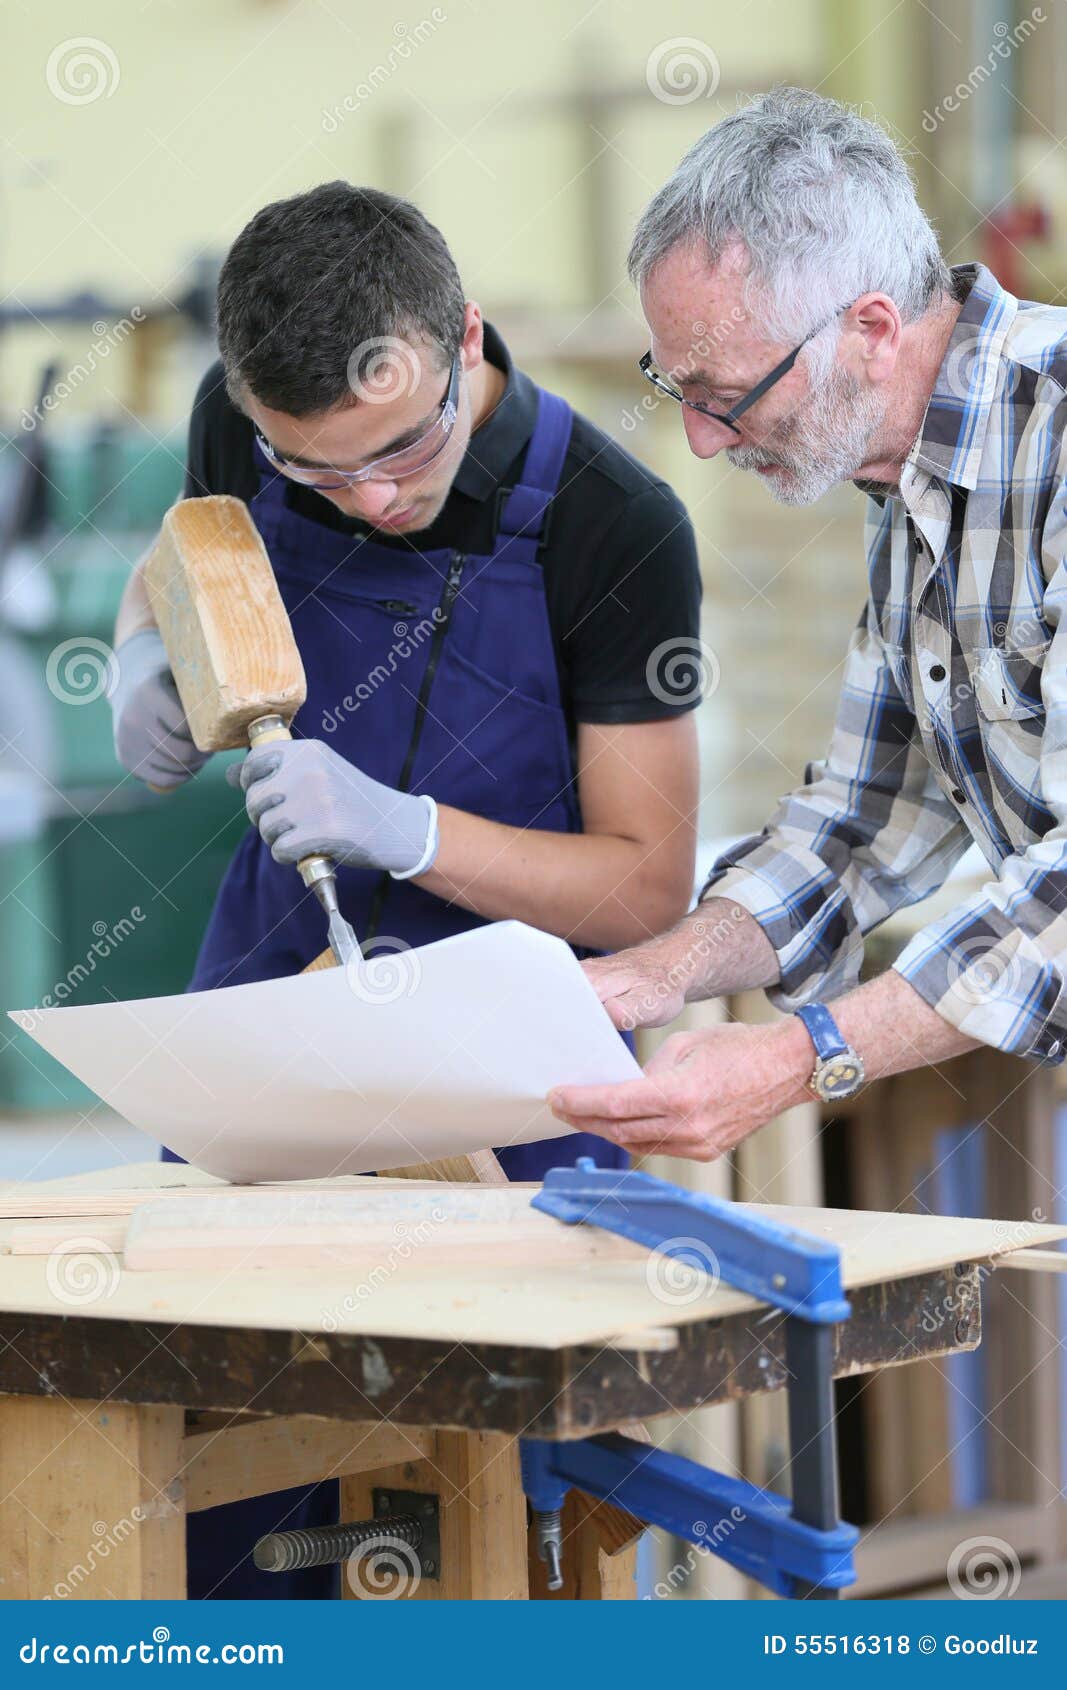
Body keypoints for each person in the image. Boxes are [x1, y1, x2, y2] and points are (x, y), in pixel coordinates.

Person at [109, 182, 702, 1595]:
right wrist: (141, 654)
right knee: (223, 1486)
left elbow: (642, 895)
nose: (372, 498)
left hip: (510, 1076)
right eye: (316, 473)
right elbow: (178, 570)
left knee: (504, 1516)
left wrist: (408, 829)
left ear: (463, 341)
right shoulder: (238, 422)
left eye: (403, 450)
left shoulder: (615, 528)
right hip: (269, 1026)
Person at [551, 87, 1067, 1169]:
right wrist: (672, 964)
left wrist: (802, 1056)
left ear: (870, 331)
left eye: (723, 394)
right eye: (674, 386)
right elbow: (859, 823)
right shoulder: (910, 491)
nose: (698, 440)